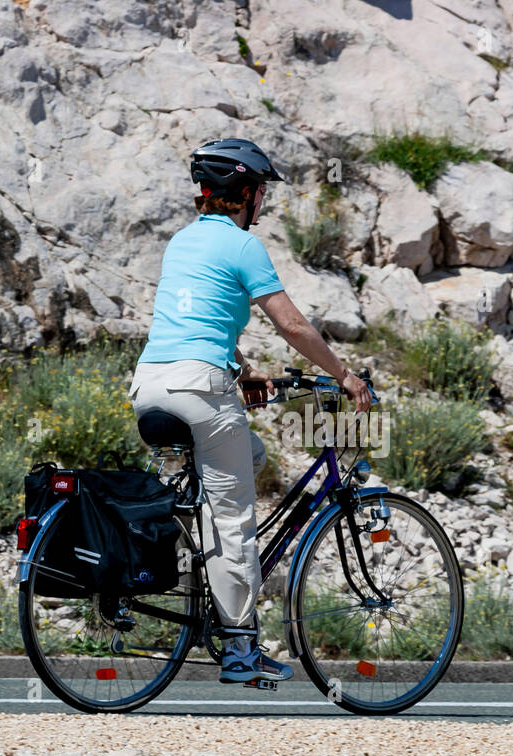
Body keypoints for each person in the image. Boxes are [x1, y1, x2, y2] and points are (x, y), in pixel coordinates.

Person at [128, 138, 372, 684]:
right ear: (245, 195)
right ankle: (240, 647)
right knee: (235, 516)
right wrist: (344, 375)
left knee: (249, 457)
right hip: (201, 391)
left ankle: (197, 568)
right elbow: (292, 326)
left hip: (150, 386)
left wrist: (243, 369)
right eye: (260, 192)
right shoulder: (243, 247)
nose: (261, 201)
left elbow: (197, 322)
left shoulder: (180, 243)